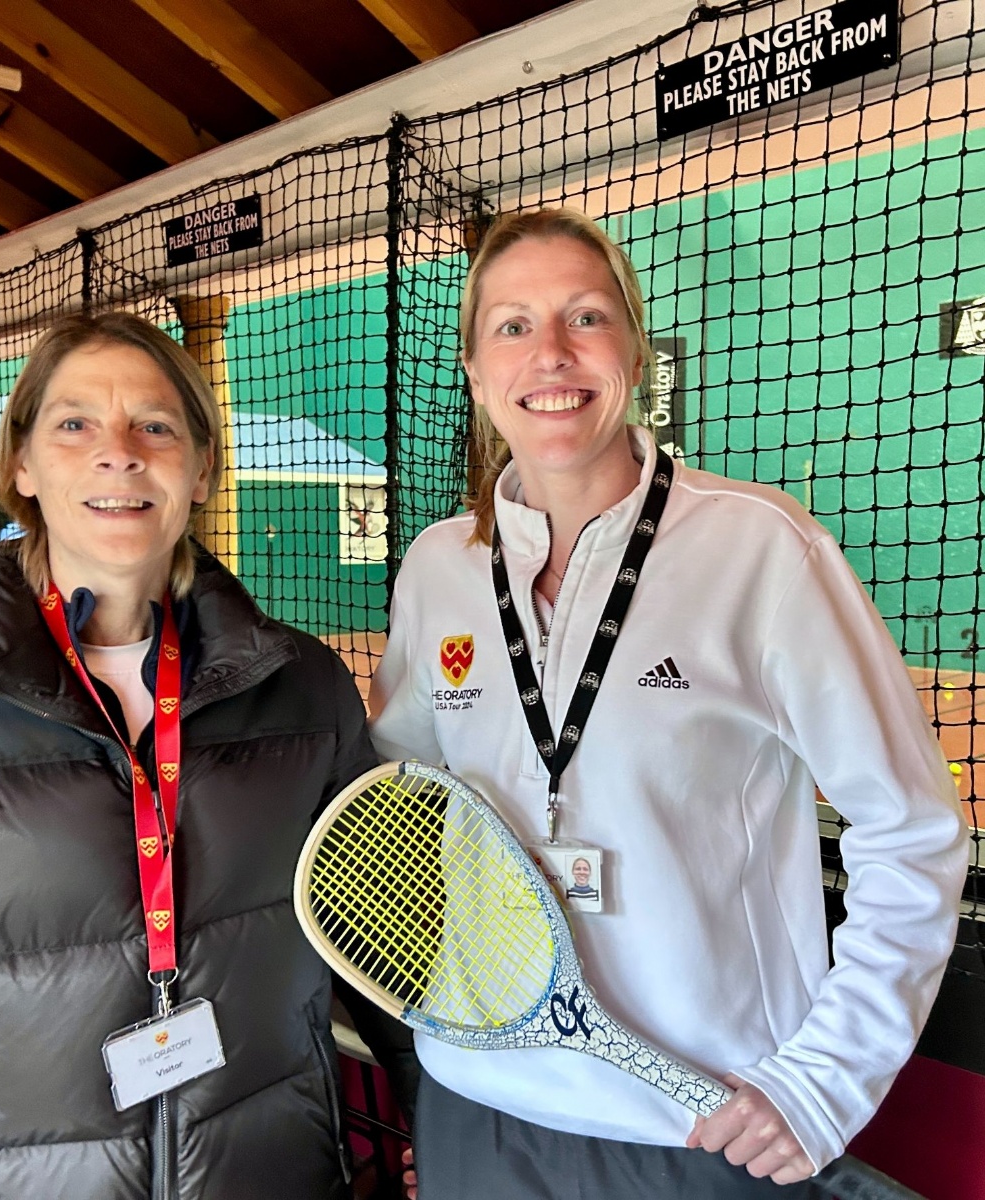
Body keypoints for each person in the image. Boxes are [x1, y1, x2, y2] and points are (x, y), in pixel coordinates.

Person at [368, 208, 969, 1199]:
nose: (550, 352)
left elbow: (910, 829)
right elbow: (408, 797)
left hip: (698, 1121)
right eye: (513, 325)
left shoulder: (763, 549)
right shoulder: (439, 566)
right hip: (477, 1103)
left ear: (636, 353)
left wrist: (824, 1083)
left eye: (586, 317)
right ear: (476, 373)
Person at [0, 311, 415, 1200]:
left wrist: (454, 1123)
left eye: (155, 425)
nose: (118, 452)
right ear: (22, 466)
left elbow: (390, 949)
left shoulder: (307, 690)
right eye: (75, 423)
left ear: (201, 471)